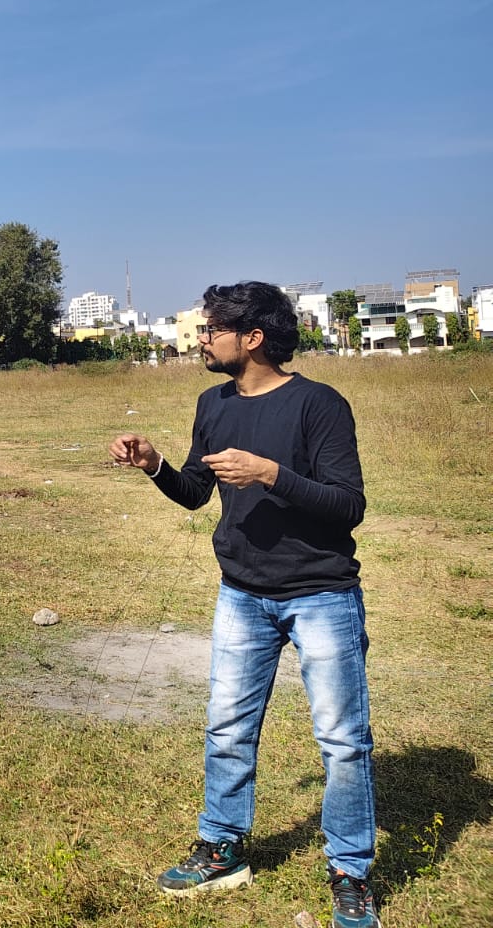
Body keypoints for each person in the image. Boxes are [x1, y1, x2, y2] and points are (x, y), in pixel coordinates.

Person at [109, 282, 378, 928]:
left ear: (253, 338)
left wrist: (271, 475)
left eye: (212, 329)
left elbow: (350, 505)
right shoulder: (213, 404)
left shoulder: (320, 405)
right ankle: (222, 846)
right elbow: (198, 492)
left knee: (343, 743)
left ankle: (350, 870)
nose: (201, 338)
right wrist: (155, 465)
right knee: (227, 726)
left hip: (322, 595)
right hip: (243, 595)